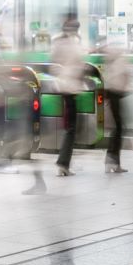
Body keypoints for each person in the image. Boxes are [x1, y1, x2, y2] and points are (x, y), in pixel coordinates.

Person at [50, 16, 85, 177]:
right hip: (70, 87)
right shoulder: (72, 43)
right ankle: (63, 163)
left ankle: (64, 162)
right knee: (71, 126)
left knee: (70, 125)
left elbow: (54, 63)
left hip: (62, 85)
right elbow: (78, 63)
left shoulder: (57, 41)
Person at [99, 40, 132, 174]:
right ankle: (112, 161)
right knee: (118, 129)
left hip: (114, 95)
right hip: (116, 95)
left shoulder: (112, 61)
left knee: (118, 129)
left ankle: (112, 161)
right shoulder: (117, 61)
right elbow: (121, 78)